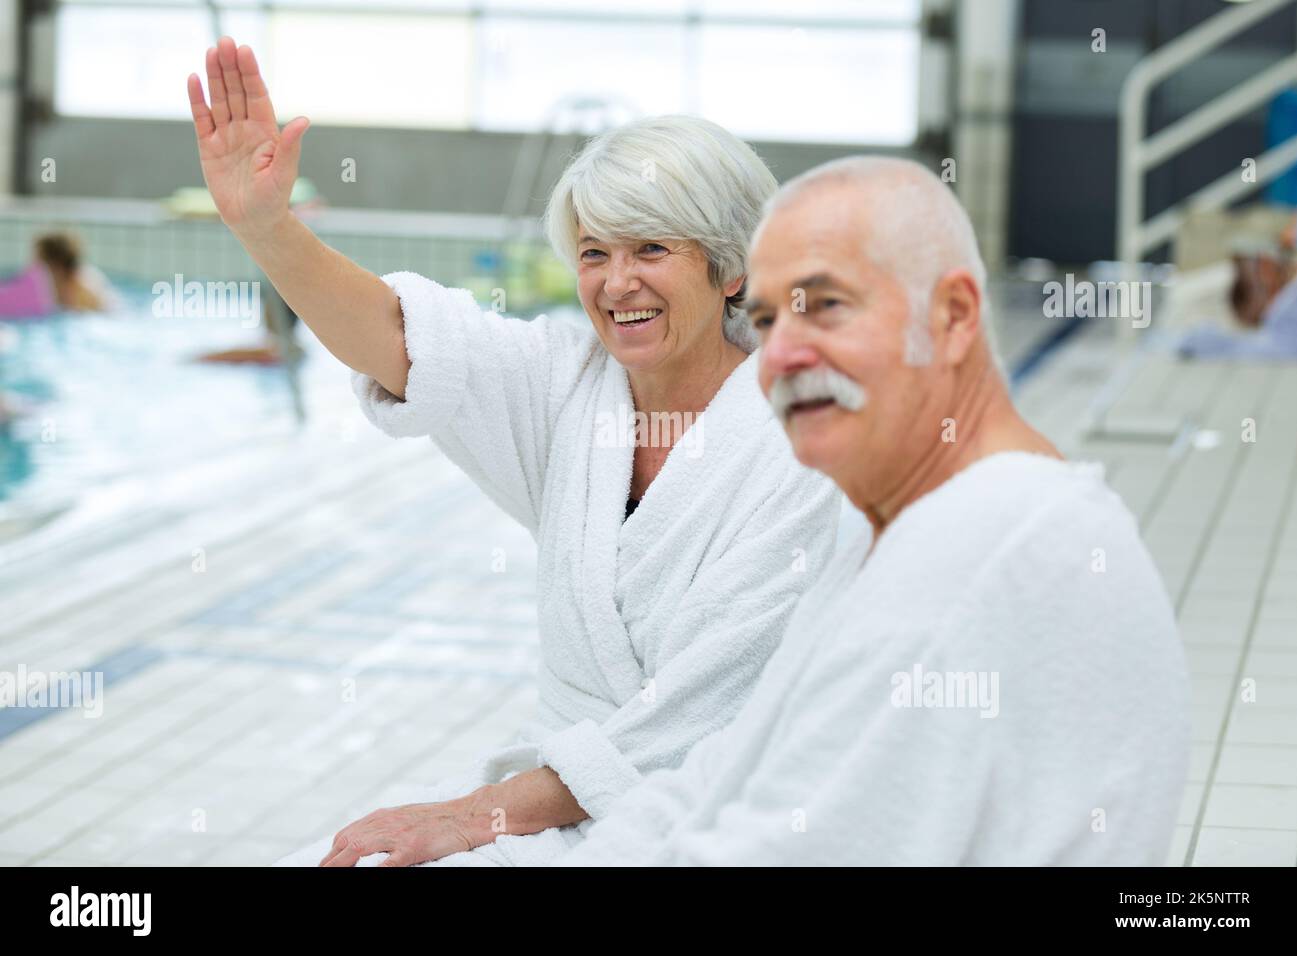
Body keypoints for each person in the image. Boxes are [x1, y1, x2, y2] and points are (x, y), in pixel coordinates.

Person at [186, 36, 841, 867]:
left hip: (721, 815)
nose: (615, 283)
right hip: (561, 796)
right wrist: (266, 227)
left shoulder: (804, 452)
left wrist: (473, 817)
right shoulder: (568, 385)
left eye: (651, 250)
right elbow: (400, 338)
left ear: (732, 270)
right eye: (595, 253)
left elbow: (707, 719)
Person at [556, 157, 1190, 866]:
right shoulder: (903, 531)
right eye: (766, 319)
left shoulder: (984, 554)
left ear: (952, 317)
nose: (783, 355)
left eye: (825, 305)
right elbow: (726, 768)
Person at [0, 232, 117, 318]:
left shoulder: (81, 287)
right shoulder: (84, 274)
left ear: (55, 266)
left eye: (38, 261)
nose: (33, 268)